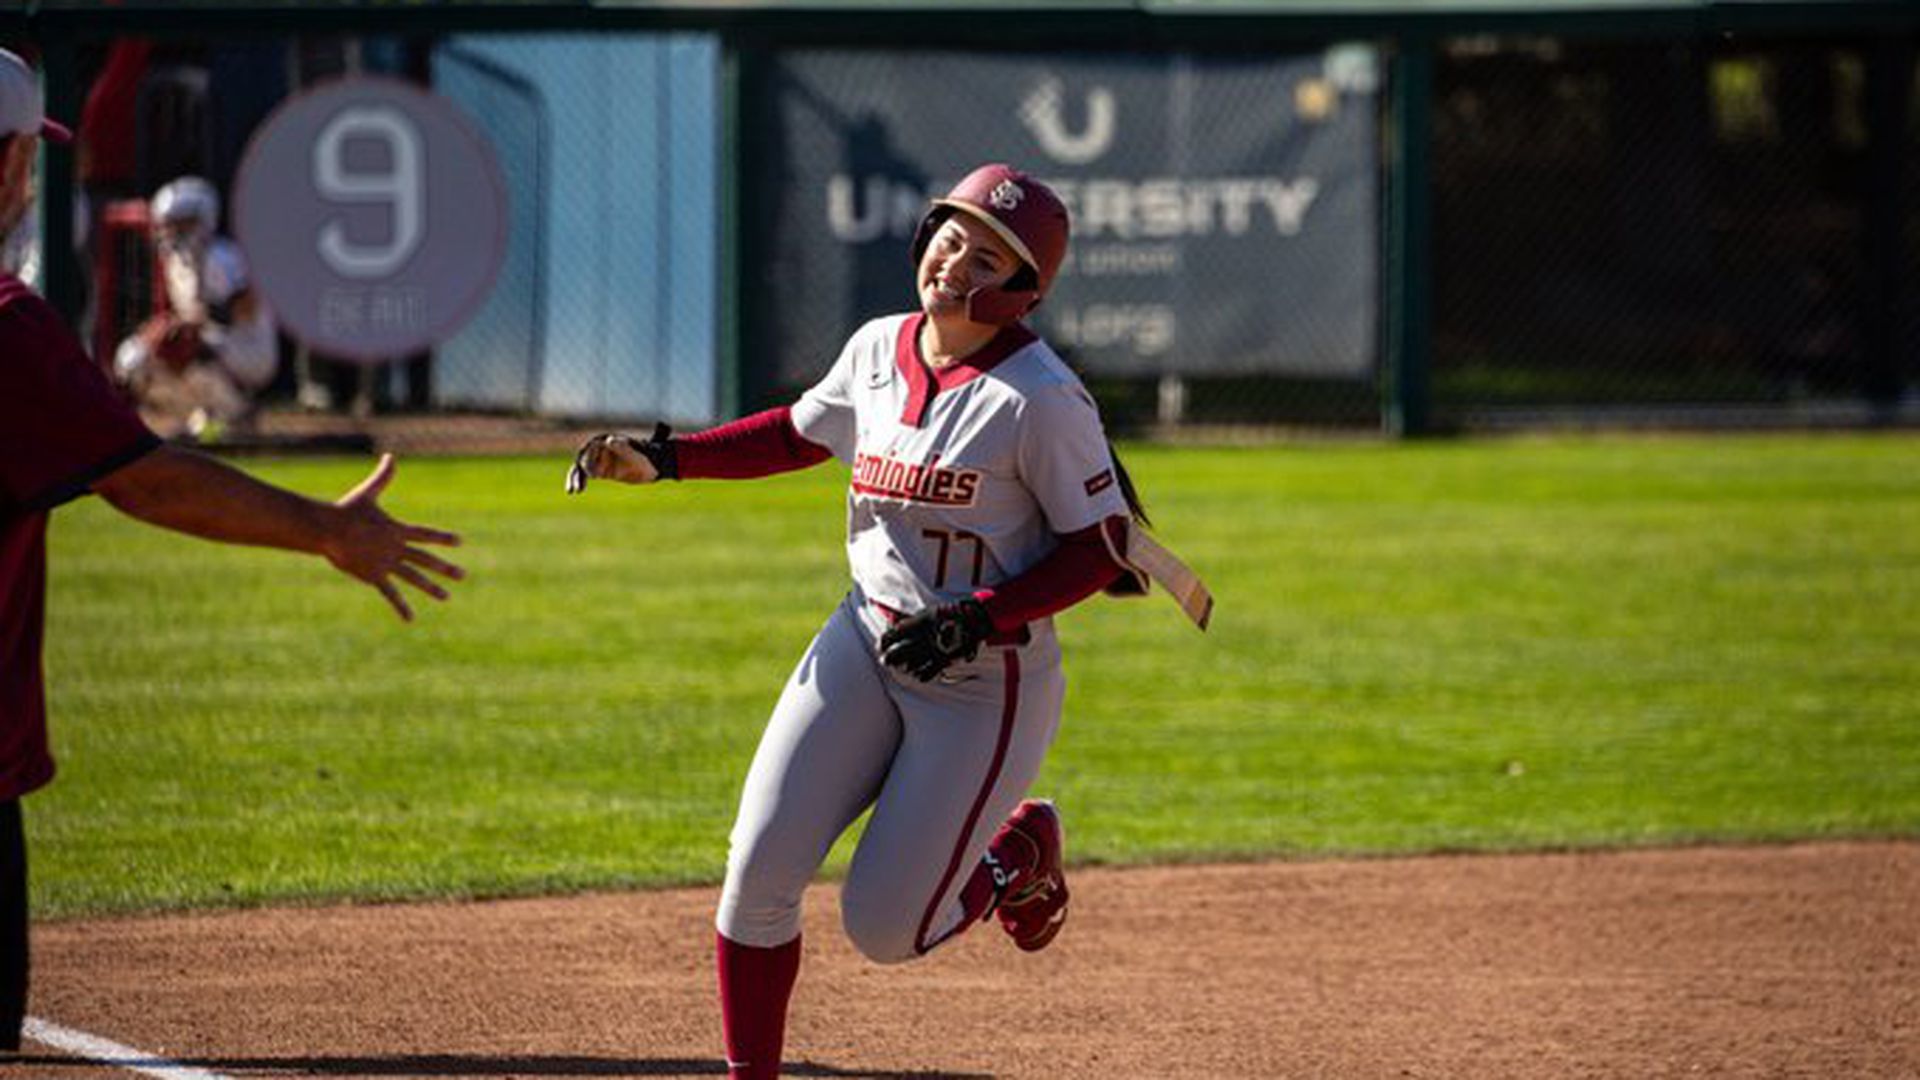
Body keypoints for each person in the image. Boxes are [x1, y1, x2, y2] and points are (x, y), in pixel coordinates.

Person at [567, 163, 1209, 1079]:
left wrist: (977, 620)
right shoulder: (878, 347)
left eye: (989, 257)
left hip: (983, 685)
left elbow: (1097, 550)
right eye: (950, 237)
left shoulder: (1040, 396)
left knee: (884, 930)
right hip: (865, 641)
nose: (956, 263)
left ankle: (1016, 851)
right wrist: (670, 459)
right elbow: (799, 432)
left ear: (1026, 289)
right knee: (755, 878)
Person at [1, 47, 464, 1051]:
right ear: (7, 169)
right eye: (24, 159)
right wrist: (330, 530)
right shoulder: (10, 329)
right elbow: (147, 478)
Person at [112, 174, 279, 441]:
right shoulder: (177, 262)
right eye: (167, 224)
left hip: (249, 347)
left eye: (180, 224)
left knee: (183, 347)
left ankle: (238, 415)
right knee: (135, 358)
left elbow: (246, 308)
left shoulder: (219, 256)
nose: (171, 232)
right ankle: (192, 416)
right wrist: (165, 328)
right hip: (216, 340)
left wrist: (189, 324)